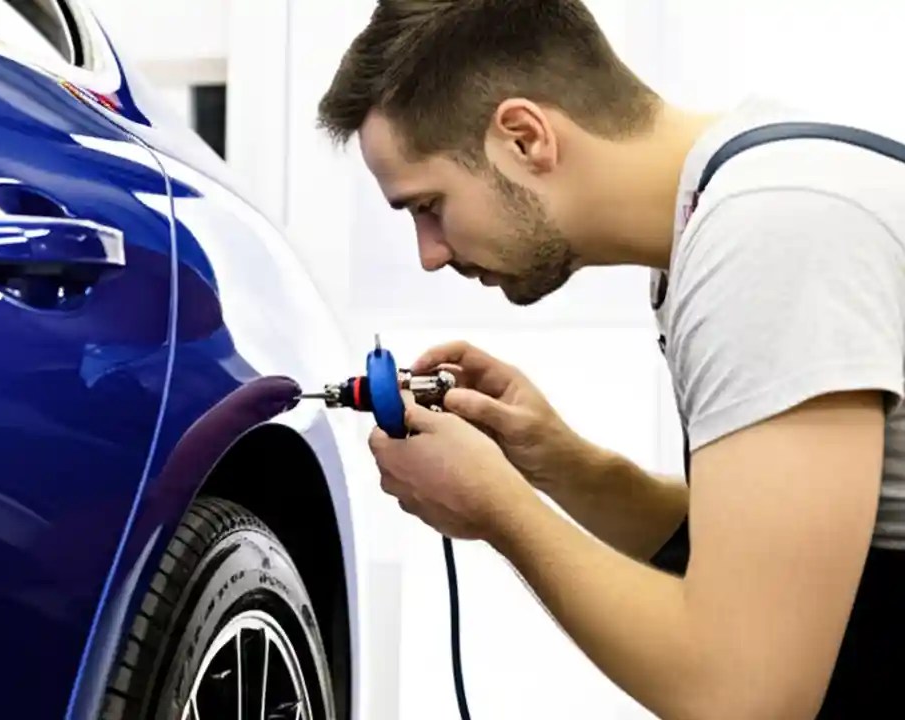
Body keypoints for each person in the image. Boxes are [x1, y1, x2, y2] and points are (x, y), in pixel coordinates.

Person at [316, 1, 905, 718]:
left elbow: (745, 697)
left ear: (525, 138)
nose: (430, 255)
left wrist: (499, 510)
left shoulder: (769, 235)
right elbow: (773, 565)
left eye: (429, 206)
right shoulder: (746, 200)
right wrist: (563, 465)